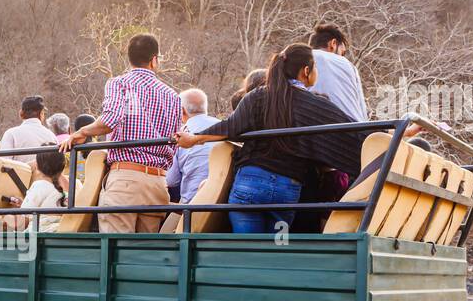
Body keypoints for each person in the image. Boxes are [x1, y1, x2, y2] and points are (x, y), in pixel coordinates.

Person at [177, 43, 416, 234]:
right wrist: (400, 132)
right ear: (306, 71)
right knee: (276, 250)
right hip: (286, 190)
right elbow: (356, 131)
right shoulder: (316, 105)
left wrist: (193, 139)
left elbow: (230, 127)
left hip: (249, 185)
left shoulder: (258, 96)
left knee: (247, 249)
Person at [60, 33, 183, 233]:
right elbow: (176, 139)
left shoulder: (119, 83)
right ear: (154, 60)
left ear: (130, 58)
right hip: (158, 183)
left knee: (115, 253)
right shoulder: (173, 96)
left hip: (125, 179)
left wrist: (81, 132)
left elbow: (109, 120)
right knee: (143, 256)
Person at [167, 88, 219, 203]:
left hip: (193, 203)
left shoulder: (181, 135)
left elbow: (171, 180)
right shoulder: (222, 127)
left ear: (182, 111)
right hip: (222, 199)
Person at [308, 24, 368, 121]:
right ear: (333, 43)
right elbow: (362, 115)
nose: (342, 56)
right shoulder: (345, 64)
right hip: (350, 130)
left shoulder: (298, 61)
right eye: (342, 52)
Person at [0, 95, 60, 164]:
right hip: (45, 174)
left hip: (18, 174)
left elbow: (3, 162)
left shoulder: (11, 134)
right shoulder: (51, 136)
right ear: (41, 114)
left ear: (21, 113)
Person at [19, 149, 68, 232]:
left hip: (38, 237)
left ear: (37, 165)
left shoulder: (39, 185)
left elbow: (21, 223)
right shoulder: (64, 191)